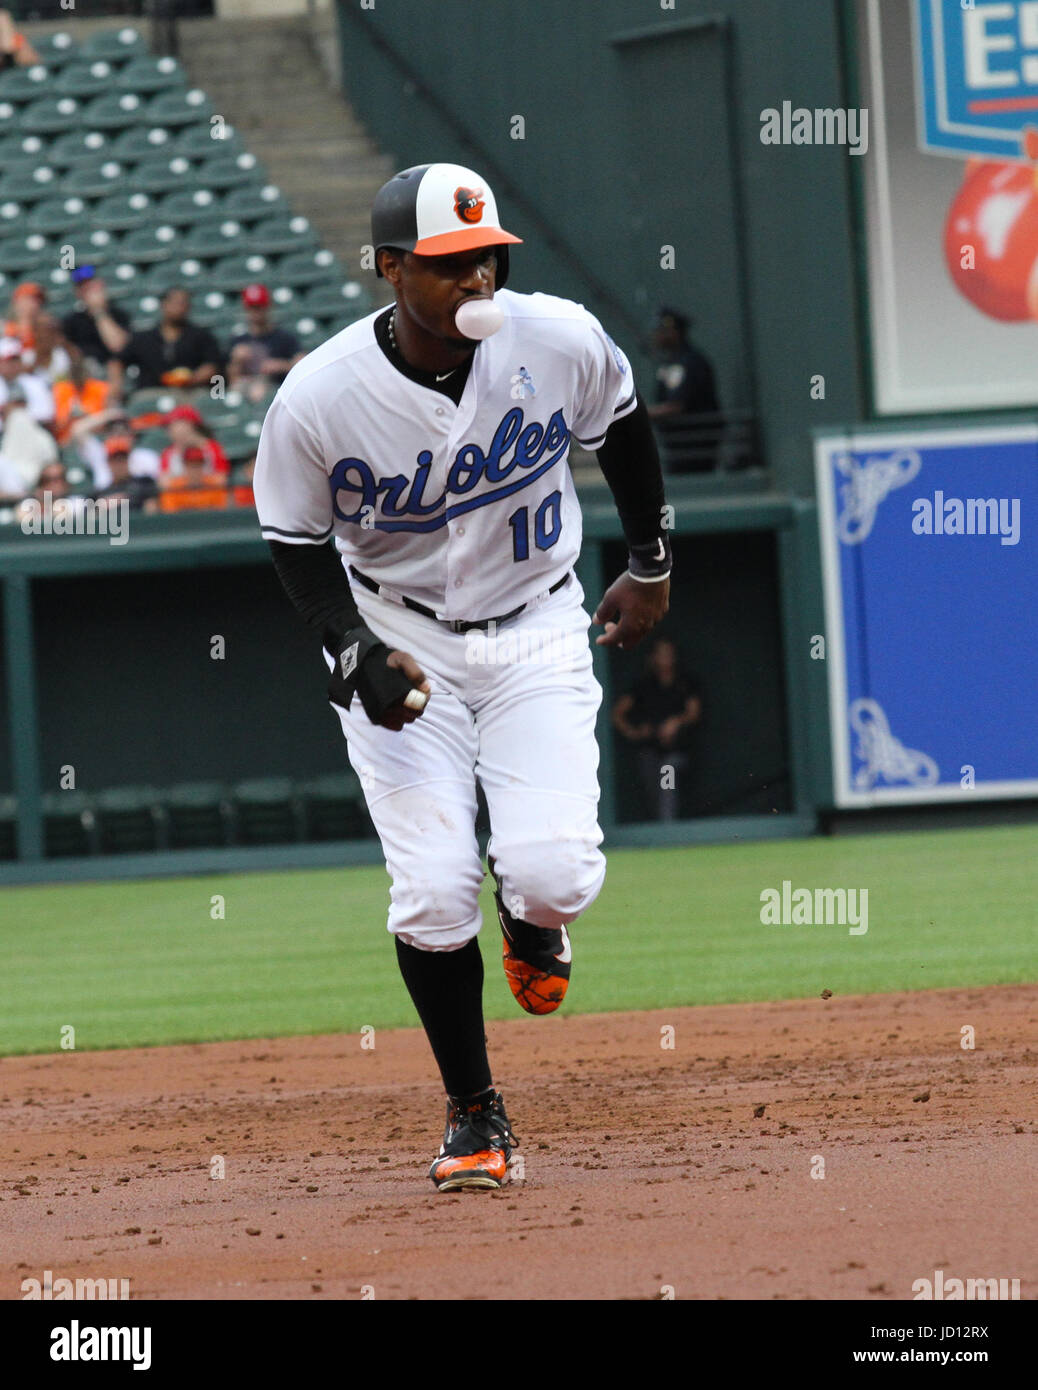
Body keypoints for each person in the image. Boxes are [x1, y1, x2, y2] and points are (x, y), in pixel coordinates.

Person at [254, 162, 671, 1192]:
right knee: (434, 892)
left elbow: (622, 426)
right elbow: (293, 539)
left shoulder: (556, 337)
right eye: (447, 264)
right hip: (404, 635)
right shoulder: (321, 394)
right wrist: (350, 648)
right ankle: (474, 1112)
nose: (476, 277)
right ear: (393, 268)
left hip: (537, 628)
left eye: (487, 256)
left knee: (555, 872)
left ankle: (533, 919)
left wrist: (652, 561)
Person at [612, 636, 702, 822]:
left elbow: (694, 712)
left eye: (668, 654)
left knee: (666, 775)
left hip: (676, 753)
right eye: (661, 654)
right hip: (650, 752)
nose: (665, 658)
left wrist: (676, 722)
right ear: (653, 657)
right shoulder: (644, 685)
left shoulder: (684, 682)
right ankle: (661, 826)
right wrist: (634, 732)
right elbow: (618, 713)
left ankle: (667, 829)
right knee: (653, 784)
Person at [109, 287, 222, 398]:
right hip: (151, 393)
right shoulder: (144, 337)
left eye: (183, 303)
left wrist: (192, 378)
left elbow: (212, 365)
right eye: (175, 303)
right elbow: (117, 361)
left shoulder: (201, 336)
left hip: (189, 392)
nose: (179, 307)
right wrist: (116, 386)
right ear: (164, 304)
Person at [227, 284, 303, 398]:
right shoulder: (239, 340)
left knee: (259, 390)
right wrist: (237, 362)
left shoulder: (284, 338)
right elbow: (231, 380)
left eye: (259, 307)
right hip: (247, 386)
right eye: (252, 307)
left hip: (278, 388)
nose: (256, 312)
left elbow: (302, 363)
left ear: (268, 307)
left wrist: (280, 365)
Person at [61, 266, 132, 371]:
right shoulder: (71, 322)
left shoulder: (119, 314)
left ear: (101, 285)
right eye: (84, 288)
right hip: (88, 375)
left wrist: (99, 312)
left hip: (120, 372)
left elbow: (118, 346)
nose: (90, 292)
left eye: (92, 286)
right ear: (78, 293)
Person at [159, 403, 229, 478]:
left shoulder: (213, 448)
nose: (171, 430)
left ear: (190, 424)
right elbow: (164, 482)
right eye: (168, 427)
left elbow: (221, 478)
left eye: (174, 425)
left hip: (209, 489)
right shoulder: (168, 453)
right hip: (180, 489)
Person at [152, 445, 228, 513]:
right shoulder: (174, 488)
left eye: (198, 465)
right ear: (184, 466)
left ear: (203, 465)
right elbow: (170, 515)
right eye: (191, 465)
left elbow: (221, 512)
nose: (194, 469)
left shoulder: (214, 486)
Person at [93, 435, 158, 511]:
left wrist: (119, 499)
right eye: (115, 461)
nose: (119, 465)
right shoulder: (103, 491)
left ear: (128, 460)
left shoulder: (144, 482)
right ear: (108, 463)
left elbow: (150, 500)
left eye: (122, 460)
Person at [0, 337, 55, 424]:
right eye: (9, 360)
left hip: (33, 432)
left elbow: (47, 415)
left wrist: (18, 411)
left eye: (16, 359)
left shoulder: (35, 383)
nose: (14, 364)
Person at [3, 282, 47, 355]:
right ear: (17, 302)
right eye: (30, 299)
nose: (35, 303)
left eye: (38, 300)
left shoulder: (47, 328)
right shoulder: (5, 329)